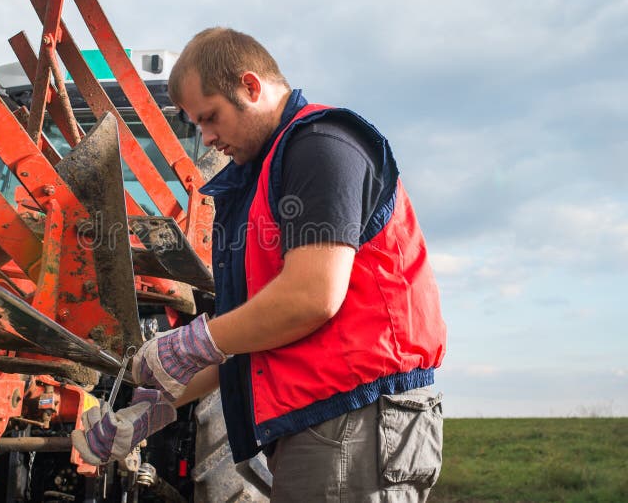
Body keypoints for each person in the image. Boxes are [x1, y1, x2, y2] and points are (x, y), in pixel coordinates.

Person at [72, 28, 447, 502]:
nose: (207, 138)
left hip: (356, 419)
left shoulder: (321, 146)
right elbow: (247, 336)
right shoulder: (261, 181)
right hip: (324, 424)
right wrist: (156, 409)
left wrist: (192, 340)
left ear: (250, 87)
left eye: (210, 118)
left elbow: (312, 297)